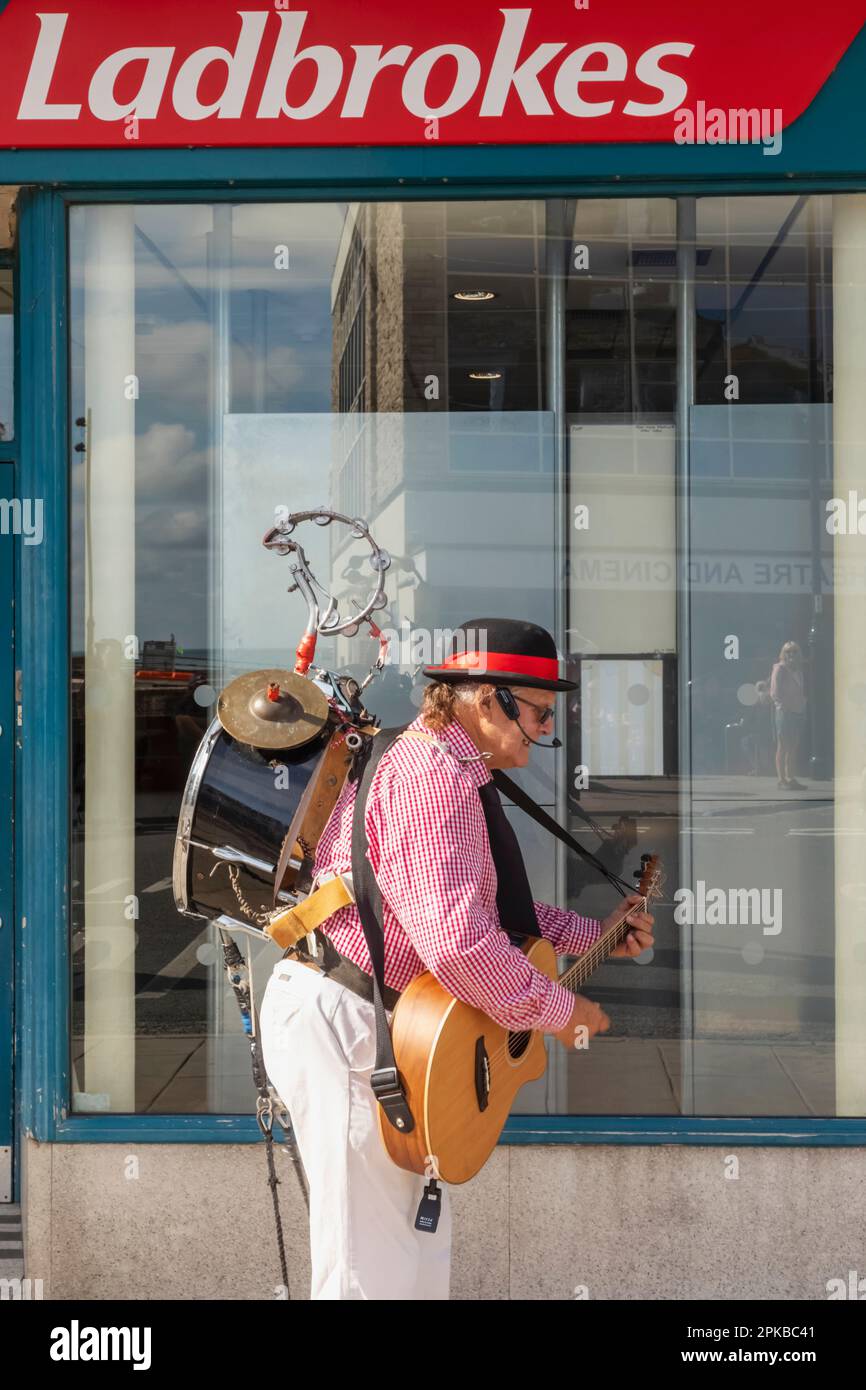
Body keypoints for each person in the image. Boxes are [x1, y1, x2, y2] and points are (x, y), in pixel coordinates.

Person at [259, 618, 654, 1300]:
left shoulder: (451, 770)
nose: (543, 729)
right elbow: (460, 946)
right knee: (368, 1274)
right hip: (352, 1022)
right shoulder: (433, 780)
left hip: (390, 1029)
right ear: (484, 698)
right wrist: (563, 1010)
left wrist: (590, 934)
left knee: (411, 1264)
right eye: (538, 712)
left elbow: (484, 912)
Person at [770, 640, 807, 790]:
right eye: (788, 651)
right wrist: (783, 706)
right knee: (783, 746)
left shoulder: (798, 670)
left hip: (797, 711)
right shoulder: (780, 669)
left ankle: (791, 777)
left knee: (793, 746)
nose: (791, 654)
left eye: (794, 651)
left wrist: (803, 704)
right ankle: (781, 779)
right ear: (783, 654)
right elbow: (774, 692)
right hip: (784, 712)